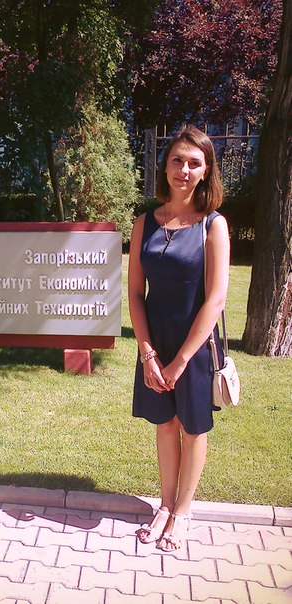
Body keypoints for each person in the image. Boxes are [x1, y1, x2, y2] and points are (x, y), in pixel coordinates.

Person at [128, 125, 230, 552]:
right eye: (176, 160)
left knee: (192, 426)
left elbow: (216, 299)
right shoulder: (144, 223)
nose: (183, 170)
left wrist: (181, 360)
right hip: (156, 343)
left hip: (195, 346)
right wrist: (148, 354)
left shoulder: (213, 225)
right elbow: (135, 294)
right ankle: (165, 505)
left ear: (206, 171)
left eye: (193, 163)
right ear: (165, 166)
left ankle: (184, 512)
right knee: (165, 424)